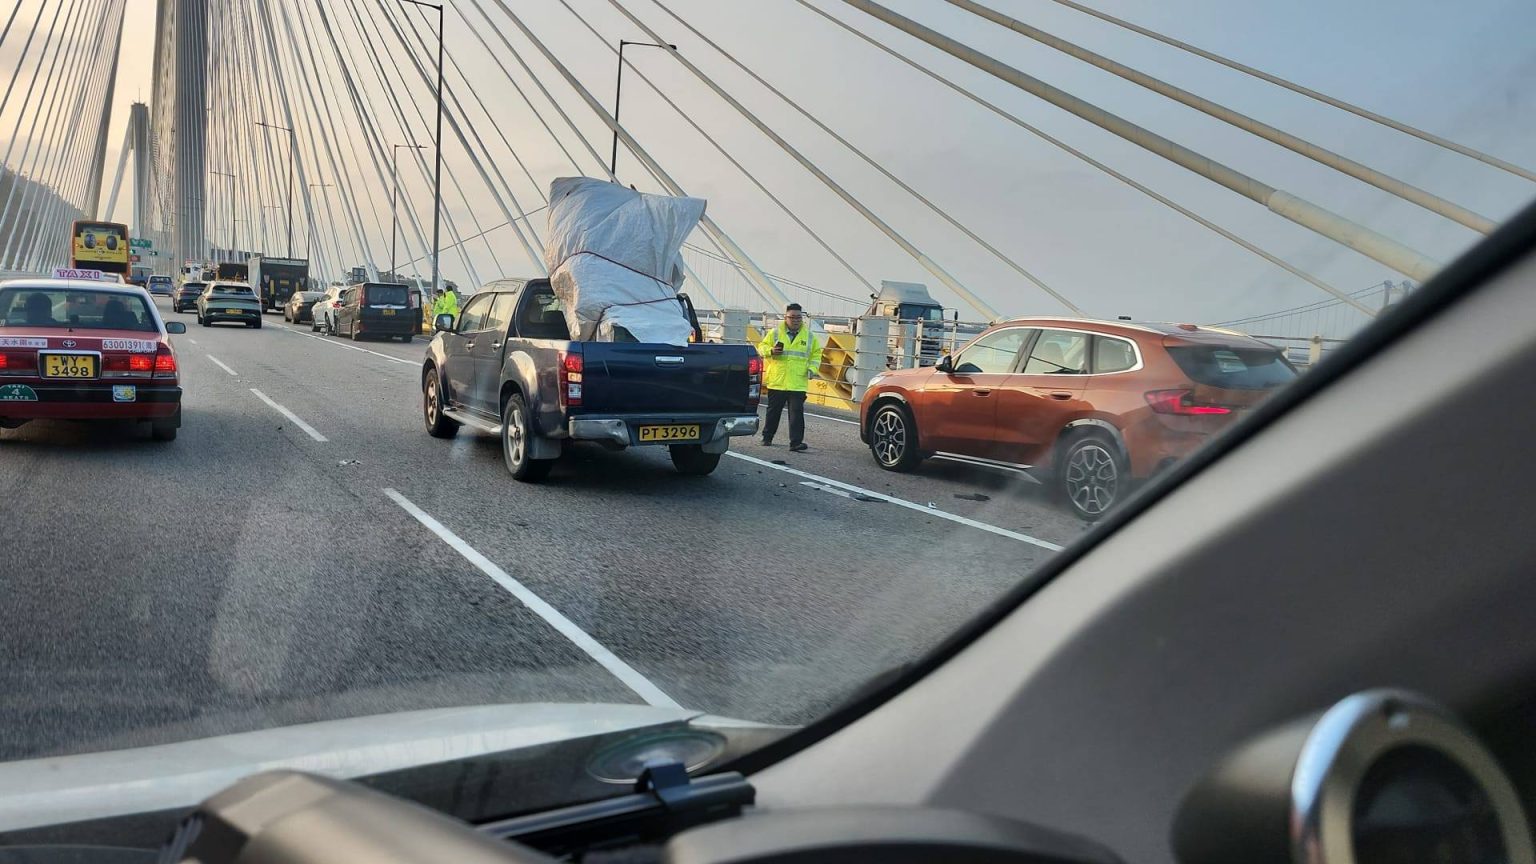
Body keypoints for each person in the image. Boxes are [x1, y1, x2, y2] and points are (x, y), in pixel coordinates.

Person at [757, 303, 822, 452]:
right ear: (785, 318)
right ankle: (767, 437)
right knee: (773, 411)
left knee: (797, 414)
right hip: (778, 380)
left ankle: (796, 443)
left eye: (799, 317)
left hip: (797, 381)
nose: (796, 320)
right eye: (792, 317)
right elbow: (761, 348)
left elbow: (817, 355)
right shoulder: (774, 333)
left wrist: (812, 369)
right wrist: (771, 351)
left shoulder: (809, 336)